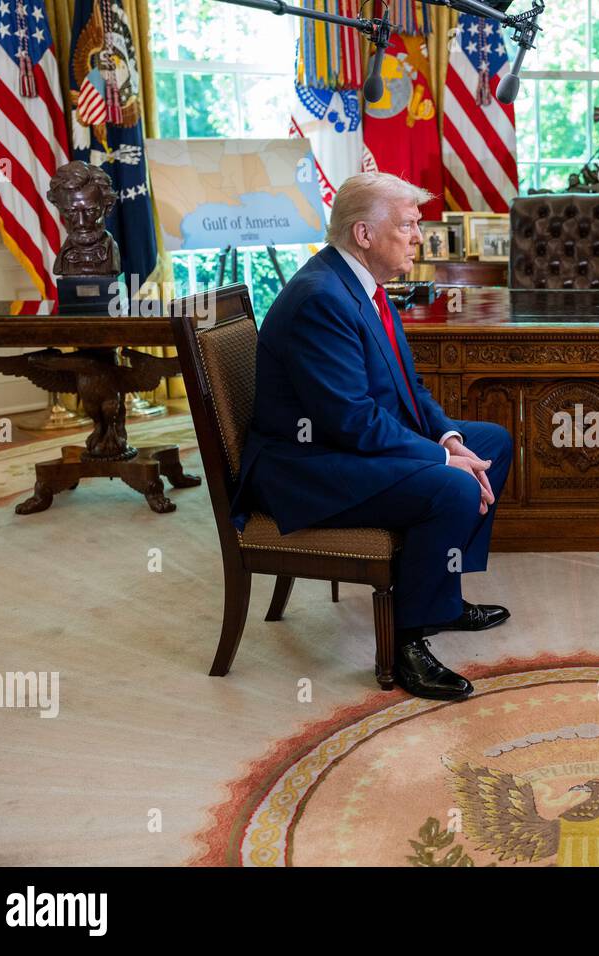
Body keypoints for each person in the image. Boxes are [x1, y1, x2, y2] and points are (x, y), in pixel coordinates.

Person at [233, 173, 513, 701]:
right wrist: (439, 460)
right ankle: (408, 643)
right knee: (450, 486)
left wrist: (449, 439)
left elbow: (410, 390)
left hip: (344, 442)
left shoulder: (366, 287)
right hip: (307, 466)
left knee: (490, 444)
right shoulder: (322, 299)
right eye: (408, 225)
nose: (418, 236)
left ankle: (443, 595)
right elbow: (350, 420)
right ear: (364, 234)